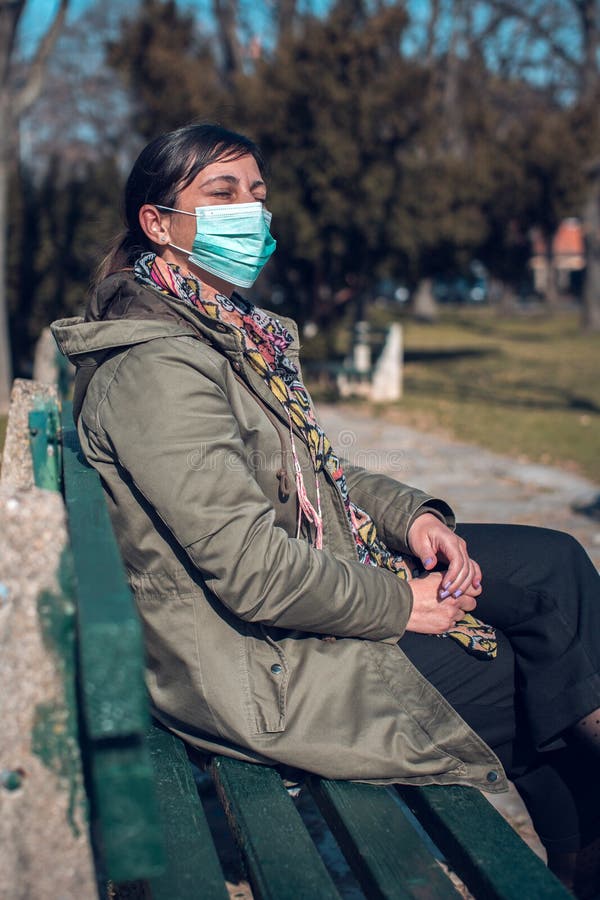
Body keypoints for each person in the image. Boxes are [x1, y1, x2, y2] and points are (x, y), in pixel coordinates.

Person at [51, 123, 600, 897]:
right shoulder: (158, 369)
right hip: (255, 663)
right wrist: (396, 602)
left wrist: (413, 517)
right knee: (541, 676)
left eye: (257, 194)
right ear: (157, 223)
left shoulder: (217, 334)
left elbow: (318, 470)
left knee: (557, 564)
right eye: (223, 193)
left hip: (293, 606)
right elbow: (252, 573)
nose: (253, 212)